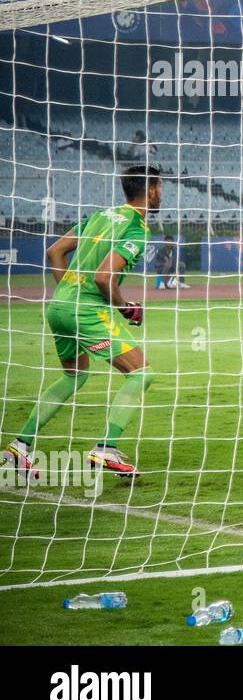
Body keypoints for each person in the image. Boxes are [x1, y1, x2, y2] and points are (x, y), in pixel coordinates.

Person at [4, 165, 164, 480]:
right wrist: (125, 307)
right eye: (160, 186)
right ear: (152, 190)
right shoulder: (136, 228)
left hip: (59, 305)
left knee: (73, 377)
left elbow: (55, 251)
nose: (161, 193)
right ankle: (106, 447)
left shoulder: (100, 216)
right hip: (87, 311)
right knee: (141, 373)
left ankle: (20, 447)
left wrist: (69, 291)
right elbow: (103, 278)